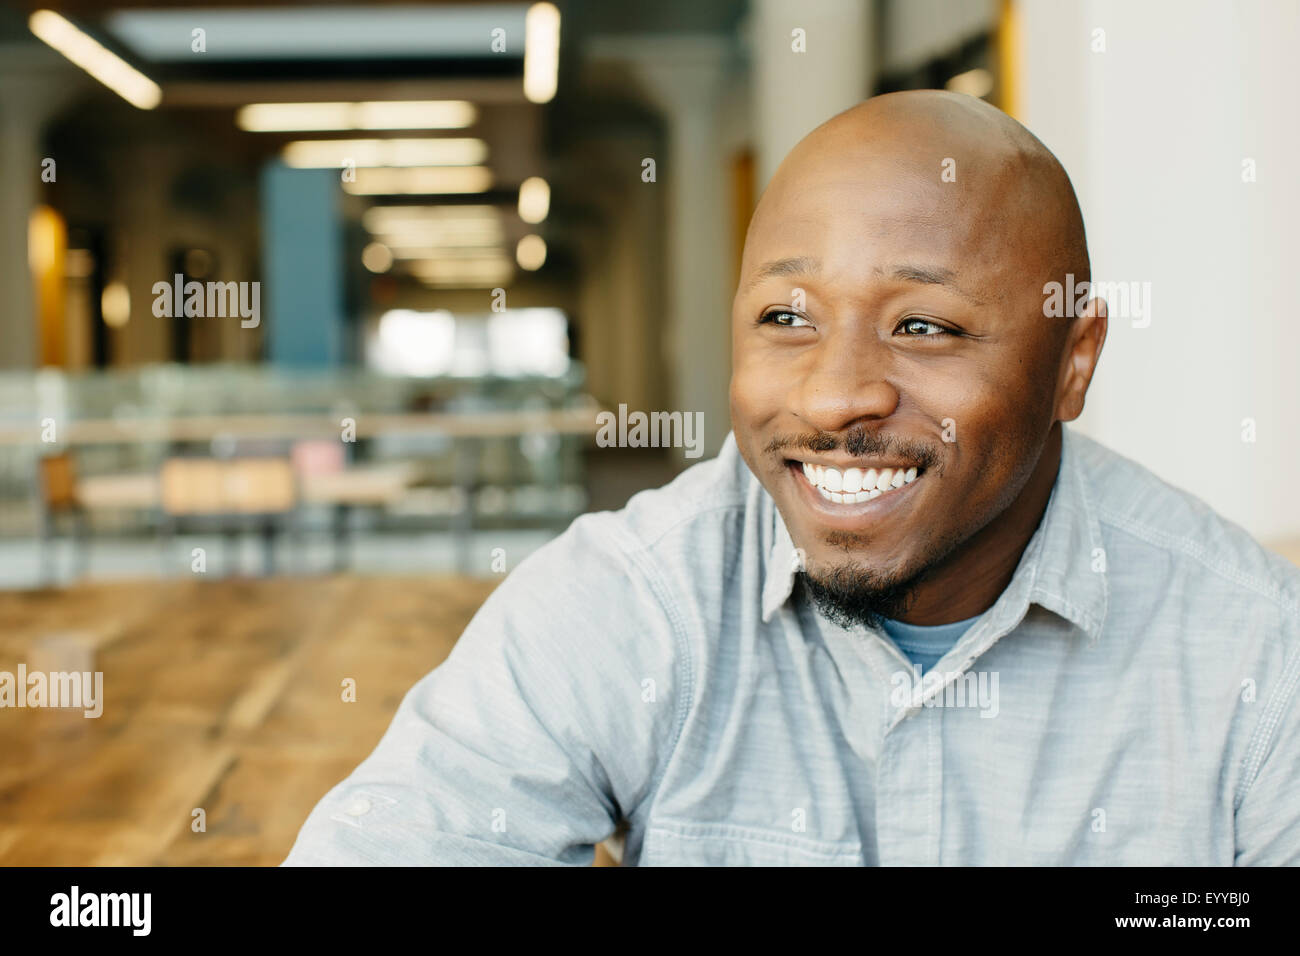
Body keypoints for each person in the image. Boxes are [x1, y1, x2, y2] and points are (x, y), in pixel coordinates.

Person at [284, 90, 1300, 866]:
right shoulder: (633, 601)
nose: (831, 397)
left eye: (923, 327)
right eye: (786, 317)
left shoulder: (1250, 653)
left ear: (1071, 362)